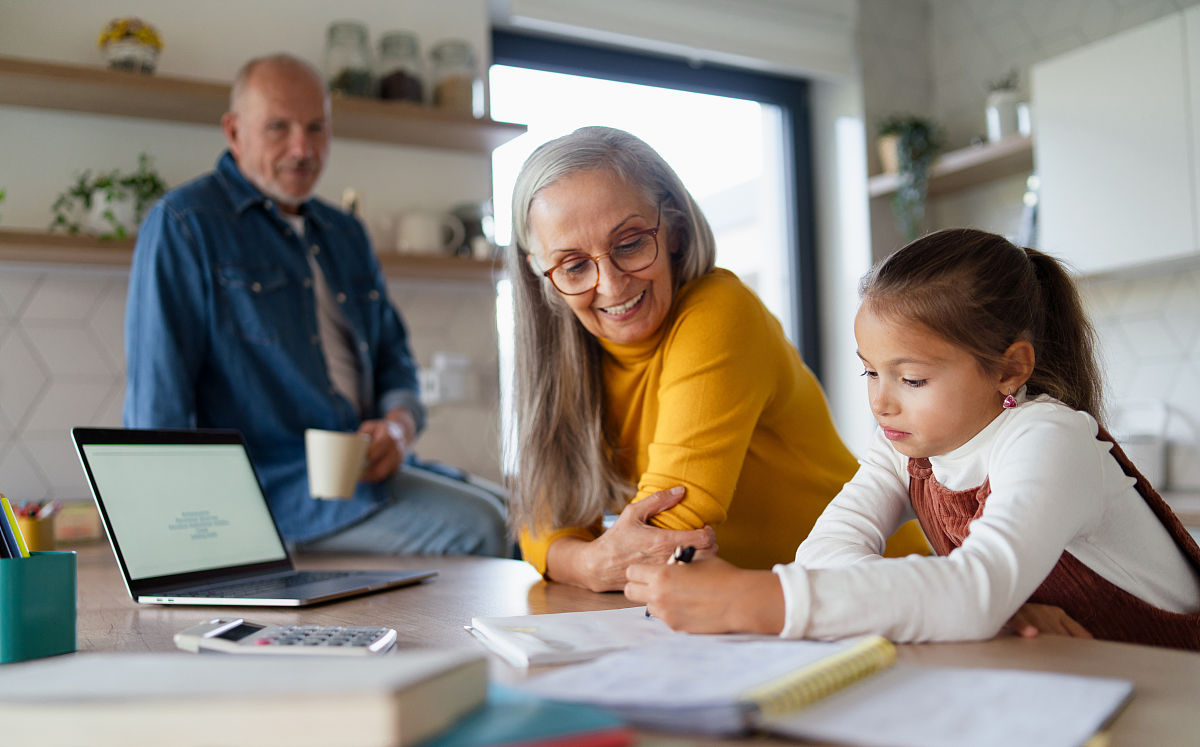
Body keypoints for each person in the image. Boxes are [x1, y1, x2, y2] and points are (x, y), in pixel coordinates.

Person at [626, 228, 1200, 650]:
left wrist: (747, 600)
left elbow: (972, 592)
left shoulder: (1049, 438)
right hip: (1075, 673)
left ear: (1009, 370)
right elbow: (822, 555)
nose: (881, 401)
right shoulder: (904, 445)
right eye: (870, 371)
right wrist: (983, 607)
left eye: (913, 378)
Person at [507, 126, 928, 592]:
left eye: (628, 244)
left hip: (879, 591)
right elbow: (541, 525)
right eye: (574, 265)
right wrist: (587, 564)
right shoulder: (568, 359)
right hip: (754, 616)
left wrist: (588, 556)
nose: (610, 284)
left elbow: (667, 540)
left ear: (675, 231)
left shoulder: (719, 310)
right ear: (540, 273)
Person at [124, 53, 506, 556]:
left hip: (365, 477)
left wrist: (398, 425)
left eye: (316, 128)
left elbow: (395, 358)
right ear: (234, 132)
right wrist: (174, 546)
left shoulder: (345, 231)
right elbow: (158, 409)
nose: (302, 148)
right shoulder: (184, 224)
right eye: (278, 127)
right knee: (485, 526)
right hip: (271, 498)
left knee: (521, 513)